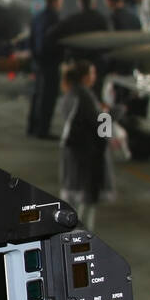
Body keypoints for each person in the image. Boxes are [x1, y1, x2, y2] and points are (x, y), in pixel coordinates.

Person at [57, 60, 112, 228]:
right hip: (86, 152)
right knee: (85, 197)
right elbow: (99, 124)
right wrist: (110, 114)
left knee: (72, 192)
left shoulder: (71, 93)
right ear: (86, 77)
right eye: (93, 73)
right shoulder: (85, 96)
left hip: (72, 149)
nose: (95, 77)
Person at [27, 0, 63, 138]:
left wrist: (35, 57)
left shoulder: (37, 17)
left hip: (38, 62)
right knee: (47, 97)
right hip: (50, 63)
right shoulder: (54, 19)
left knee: (37, 95)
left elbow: (31, 40)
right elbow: (55, 42)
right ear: (55, 1)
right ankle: (43, 131)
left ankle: (32, 128)